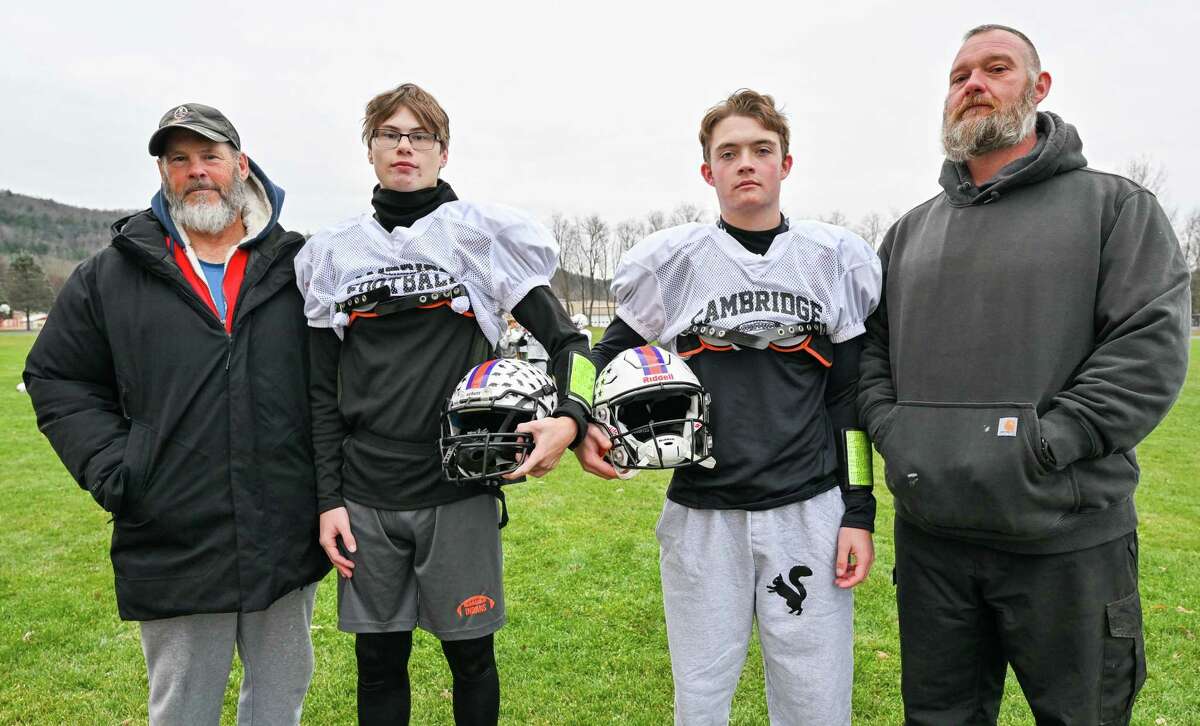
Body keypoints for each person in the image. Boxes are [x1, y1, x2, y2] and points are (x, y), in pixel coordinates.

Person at [858, 25, 1192, 725]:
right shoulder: (909, 233)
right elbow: (873, 354)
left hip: (1066, 543)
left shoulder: (1115, 208)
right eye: (958, 76)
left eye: (995, 68)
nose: (972, 84)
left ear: (1038, 89)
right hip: (935, 544)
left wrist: (1044, 446)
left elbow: (1147, 348)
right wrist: (896, 432)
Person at [578, 89, 880, 725]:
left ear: (785, 165)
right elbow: (603, 358)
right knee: (702, 696)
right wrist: (590, 419)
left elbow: (848, 402)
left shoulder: (831, 260)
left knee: (816, 701)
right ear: (707, 171)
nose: (747, 163)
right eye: (729, 152)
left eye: (761, 150)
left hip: (809, 507)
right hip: (702, 514)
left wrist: (859, 510)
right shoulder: (677, 262)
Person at [295, 82, 592, 725]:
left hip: (459, 486)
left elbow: (575, 345)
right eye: (391, 135)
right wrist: (327, 499)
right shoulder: (330, 253)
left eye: (420, 136)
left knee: (472, 661)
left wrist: (571, 419)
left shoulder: (480, 237)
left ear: (443, 152)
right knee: (377, 667)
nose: (406, 147)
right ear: (369, 149)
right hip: (367, 491)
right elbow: (321, 396)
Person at [23, 103, 329, 725]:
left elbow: (344, 380)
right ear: (163, 172)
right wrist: (120, 469)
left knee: (277, 704)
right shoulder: (113, 273)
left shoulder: (301, 268)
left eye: (211, 156)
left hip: (283, 532)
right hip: (173, 534)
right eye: (179, 159)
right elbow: (56, 376)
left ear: (241, 166)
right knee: (183, 710)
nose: (197, 172)